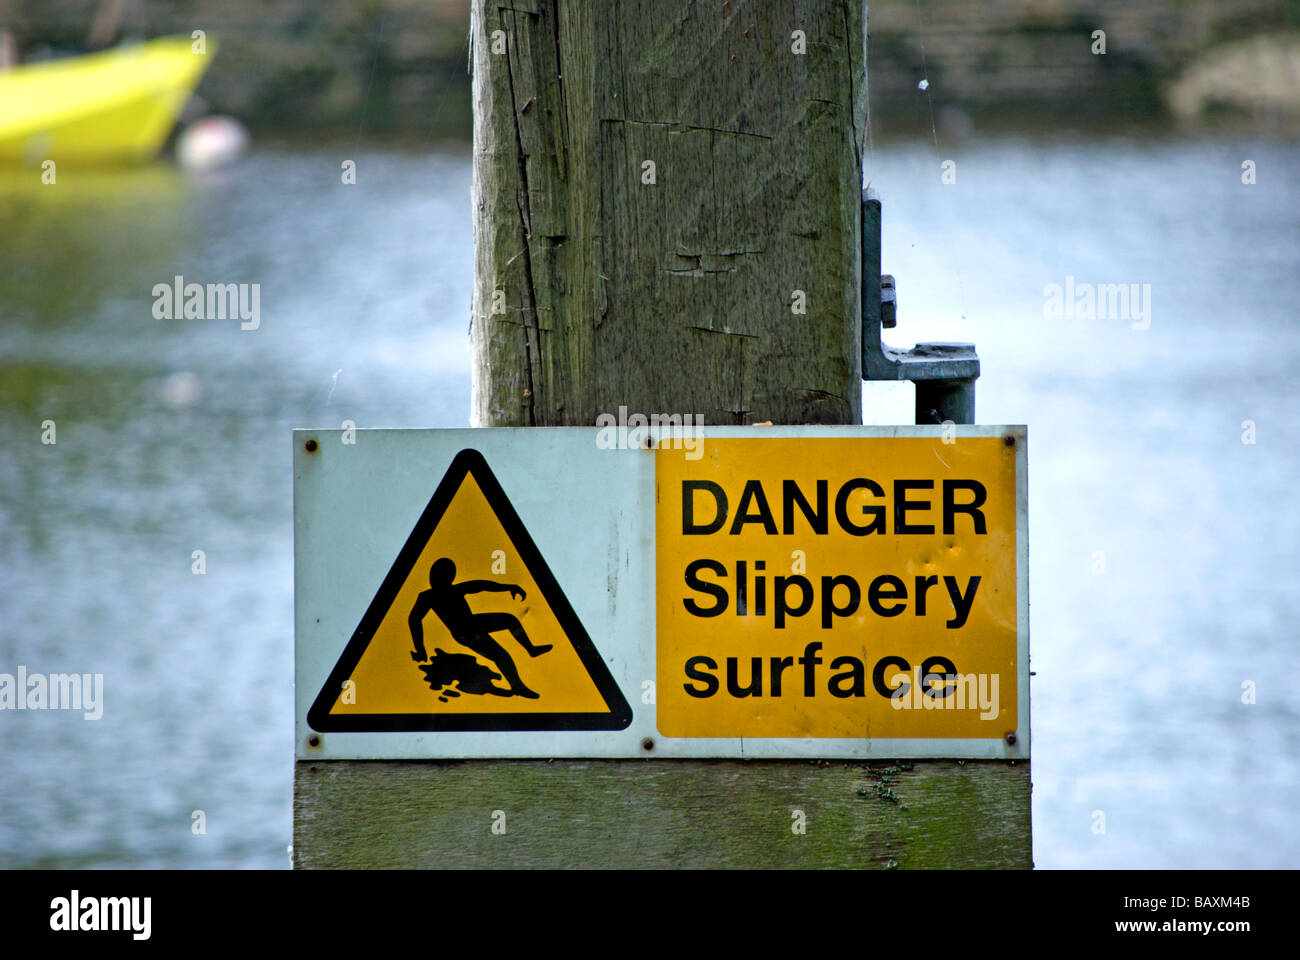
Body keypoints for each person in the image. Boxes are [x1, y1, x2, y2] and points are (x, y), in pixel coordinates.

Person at [408, 557, 552, 699]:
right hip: (465, 628)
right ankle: (528, 657)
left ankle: (518, 684)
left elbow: (481, 585)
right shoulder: (429, 596)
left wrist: (508, 587)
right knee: (509, 622)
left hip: (469, 629)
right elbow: (414, 619)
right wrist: (420, 647)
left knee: (502, 653)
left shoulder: (454, 589)